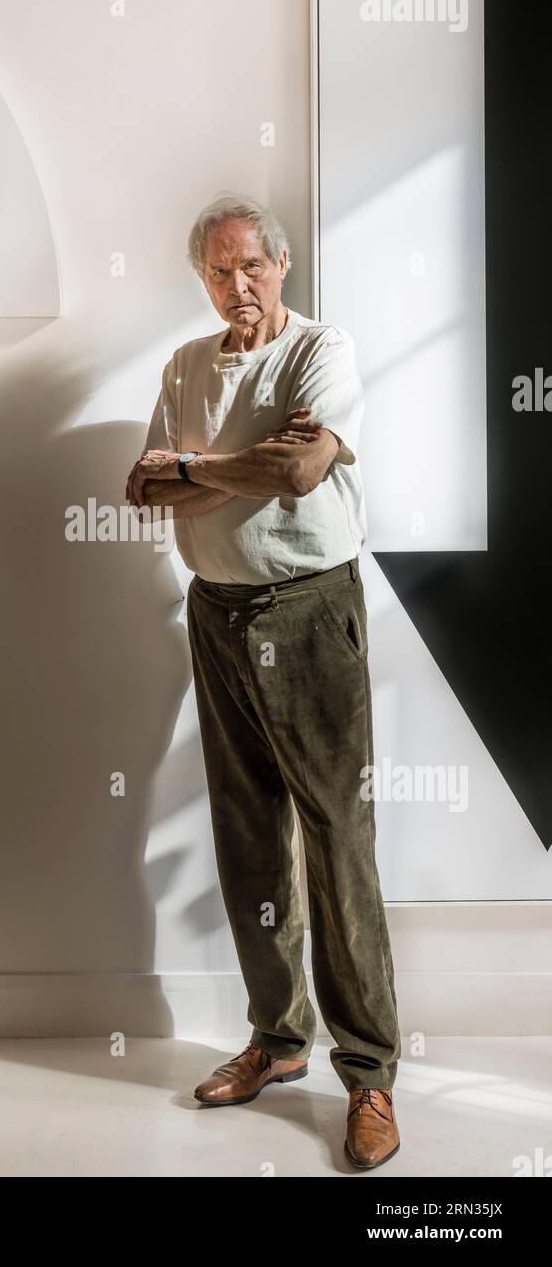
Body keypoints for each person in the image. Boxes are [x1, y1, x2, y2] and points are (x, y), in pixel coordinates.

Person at [125, 191, 401, 1170]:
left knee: (335, 837)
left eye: (250, 266)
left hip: (307, 610)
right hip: (216, 612)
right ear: (201, 277)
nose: (234, 285)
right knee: (246, 832)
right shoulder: (182, 365)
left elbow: (299, 472)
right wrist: (226, 465)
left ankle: (368, 1075)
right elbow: (141, 486)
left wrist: (197, 464)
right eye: (216, 270)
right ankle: (277, 1043)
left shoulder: (322, 350)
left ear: (280, 265)